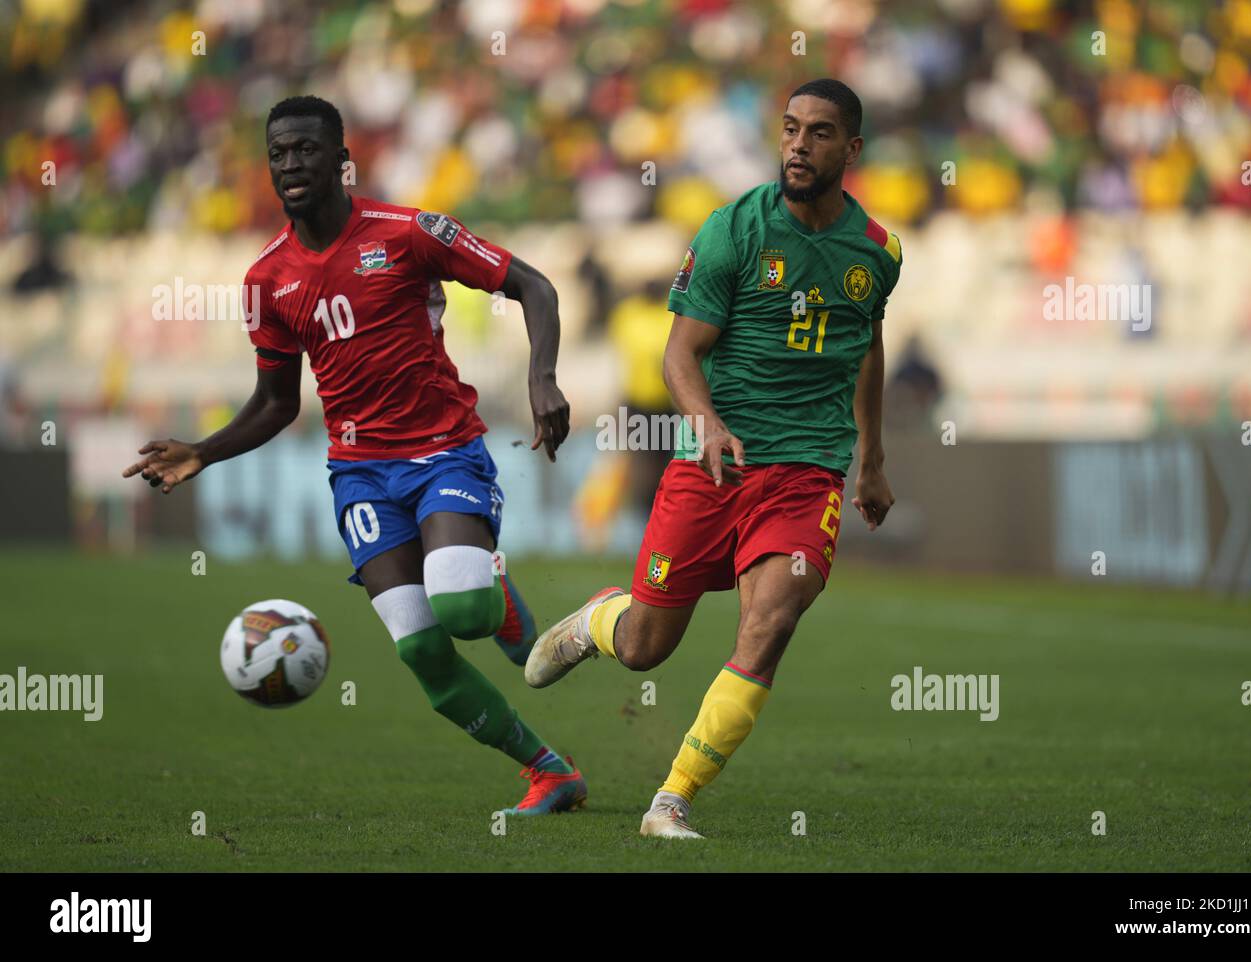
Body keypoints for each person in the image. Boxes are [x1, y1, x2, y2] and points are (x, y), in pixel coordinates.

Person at [123, 96, 586, 816]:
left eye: (306, 149)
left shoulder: (407, 233)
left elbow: (534, 285)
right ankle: (550, 772)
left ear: (342, 160)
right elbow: (278, 402)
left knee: (462, 606)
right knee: (420, 653)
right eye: (278, 153)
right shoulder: (266, 280)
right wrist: (203, 452)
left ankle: (487, 581)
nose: (290, 164)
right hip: (359, 474)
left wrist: (542, 379)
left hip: (442, 451)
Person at [525, 79, 902, 838]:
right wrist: (706, 423)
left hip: (806, 475)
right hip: (714, 468)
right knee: (645, 649)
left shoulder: (878, 253)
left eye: (820, 133)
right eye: (791, 129)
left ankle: (672, 799)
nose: (798, 144)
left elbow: (867, 345)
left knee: (771, 622)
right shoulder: (735, 230)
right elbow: (679, 354)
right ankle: (599, 622)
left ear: (851, 149)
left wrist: (871, 458)